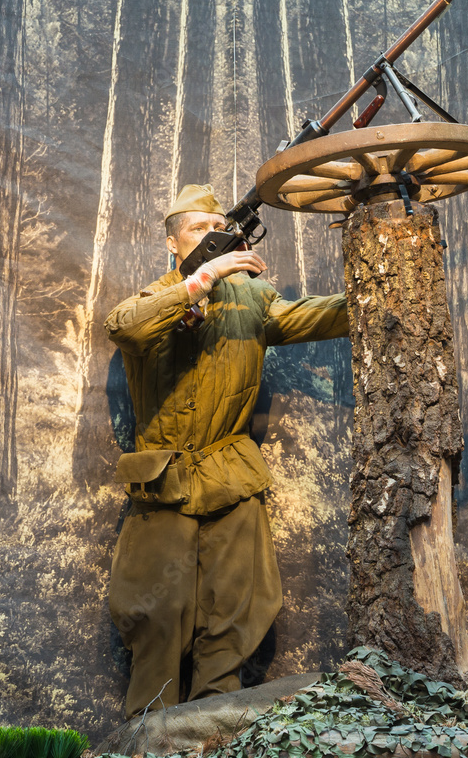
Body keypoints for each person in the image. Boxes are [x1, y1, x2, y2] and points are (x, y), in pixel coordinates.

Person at [105, 183, 348, 718]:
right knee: (155, 614)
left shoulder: (251, 298)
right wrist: (202, 279)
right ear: (172, 242)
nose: (213, 236)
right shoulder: (155, 296)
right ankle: (147, 736)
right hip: (163, 483)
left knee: (235, 612)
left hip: (230, 479)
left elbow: (316, 316)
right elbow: (125, 328)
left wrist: (377, 289)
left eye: (219, 229)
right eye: (199, 228)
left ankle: (215, 733)